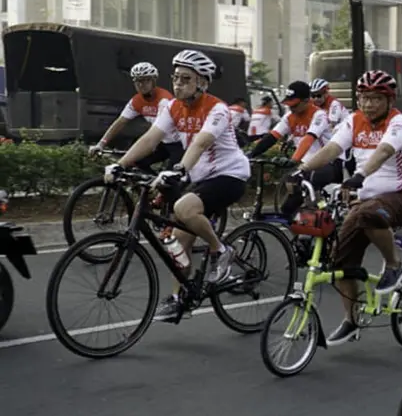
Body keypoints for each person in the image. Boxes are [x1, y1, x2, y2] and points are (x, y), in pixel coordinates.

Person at [105, 50, 249, 319]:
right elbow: (150, 139)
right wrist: (121, 165)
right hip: (200, 178)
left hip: (230, 175)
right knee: (175, 242)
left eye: (186, 79)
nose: (178, 84)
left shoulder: (217, 109)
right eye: (175, 78)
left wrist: (180, 168)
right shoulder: (172, 107)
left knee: (184, 209)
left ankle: (221, 250)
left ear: (202, 83)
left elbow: (201, 142)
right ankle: (180, 297)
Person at [294, 70, 402, 344]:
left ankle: (394, 265)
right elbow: (332, 148)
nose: (369, 105)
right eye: (364, 98)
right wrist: (302, 169)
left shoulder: (398, 122)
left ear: (390, 101)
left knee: (368, 214)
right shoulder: (354, 120)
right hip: (366, 197)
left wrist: (359, 177)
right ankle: (351, 321)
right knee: (341, 261)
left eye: (376, 99)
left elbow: (384, 151)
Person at [247, 81, 336, 221]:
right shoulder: (289, 116)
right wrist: (251, 154)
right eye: (288, 105)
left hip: (326, 161)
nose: (291, 109)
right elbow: (272, 136)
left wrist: (293, 160)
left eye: (294, 105)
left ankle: (324, 215)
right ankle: (297, 238)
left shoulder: (319, 115)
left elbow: (309, 138)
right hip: (305, 162)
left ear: (307, 101)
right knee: (288, 208)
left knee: (311, 187)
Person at [91, 62, 182, 169]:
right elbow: (120, 122)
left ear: (153, 81)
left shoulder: (164, 100)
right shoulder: (136, 101)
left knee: (170, 178)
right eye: (137, 81)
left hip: (178, 143)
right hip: (161, 142)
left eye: (145, 80)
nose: (141, 84)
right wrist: (101, 143)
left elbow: (157, 130)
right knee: (135, 162)